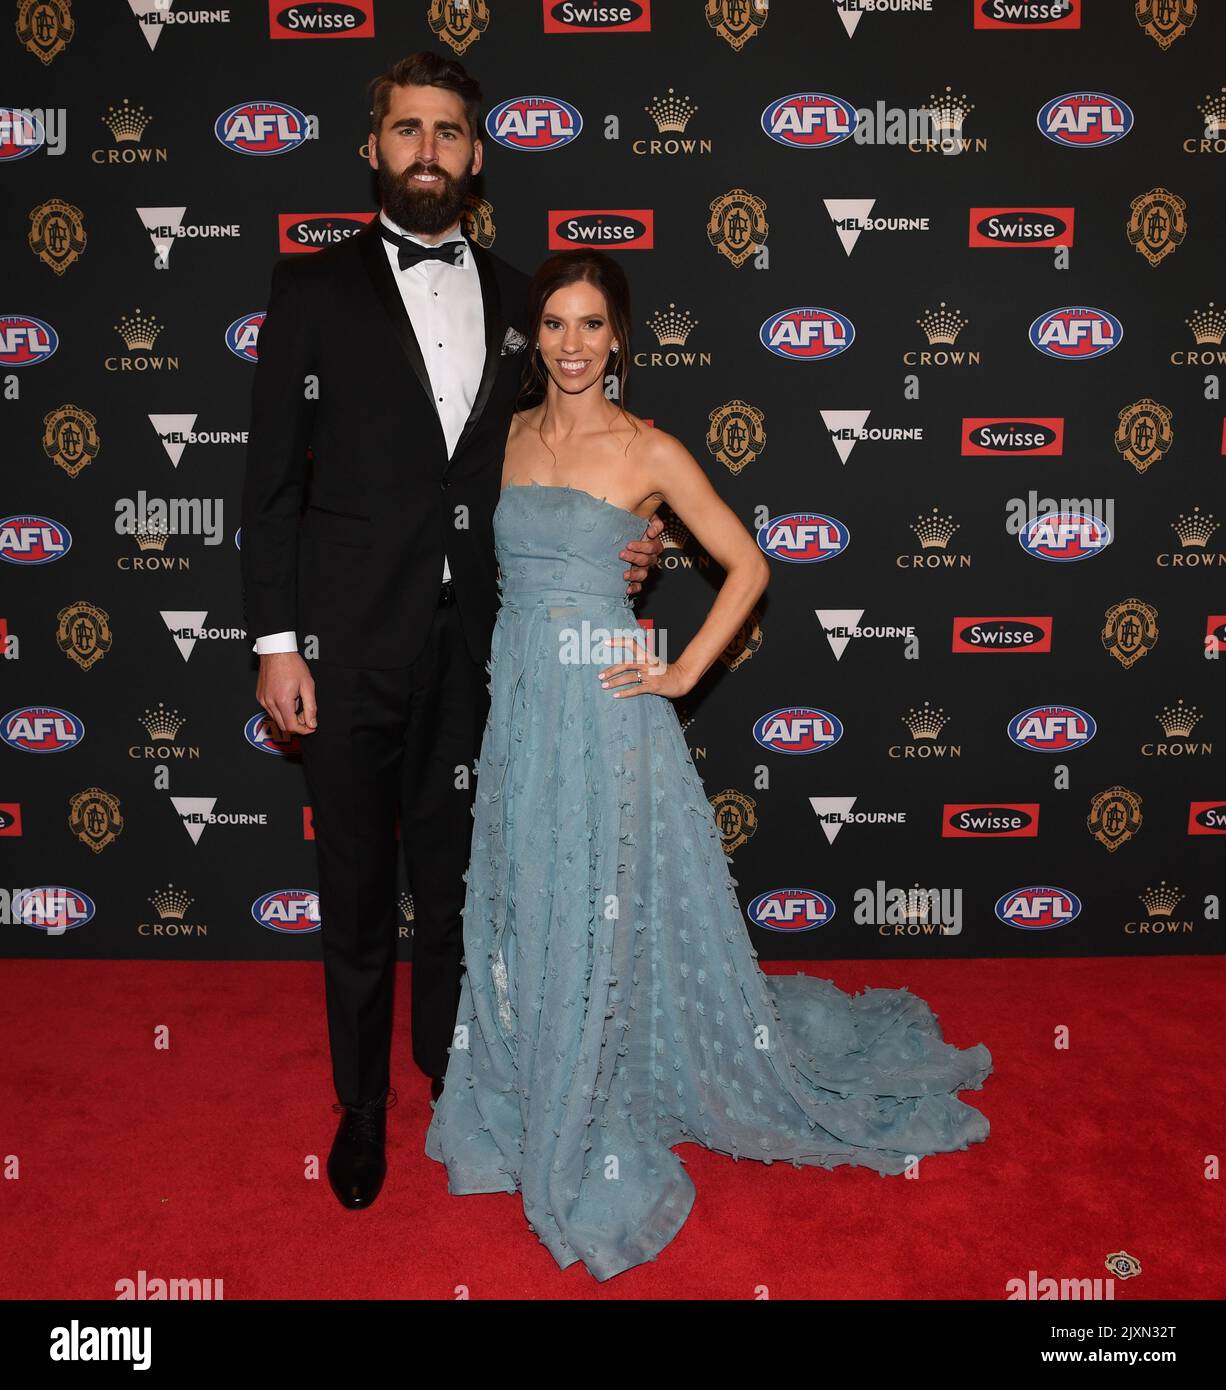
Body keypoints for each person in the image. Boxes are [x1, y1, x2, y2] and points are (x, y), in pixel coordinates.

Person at [425, 249, 993, 1281]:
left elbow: (748, 563)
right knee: (530, 893)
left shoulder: (648, 451)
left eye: (590, 324)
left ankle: (591, 1096)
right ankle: (531, 1068)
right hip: (519, 705)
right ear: (533, 336)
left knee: (597, 895)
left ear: (619, 339)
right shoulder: (498, 436)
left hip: (605, 708)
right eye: (553, 323)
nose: (570, 344)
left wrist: (681, 670)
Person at [239, 52, 664, 1211]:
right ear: (373, 146)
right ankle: (362, 1110)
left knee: (463, 887)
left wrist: (631, 544)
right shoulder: (309, 291)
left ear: (476, 157)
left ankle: (451, 1077)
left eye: (447, 134)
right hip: (341, 651)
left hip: (486, 655)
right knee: (358, 893)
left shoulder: (527, 297)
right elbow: (270, 487)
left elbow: (566, 461)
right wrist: (275, 641)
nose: (427, 150)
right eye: (406, 130)